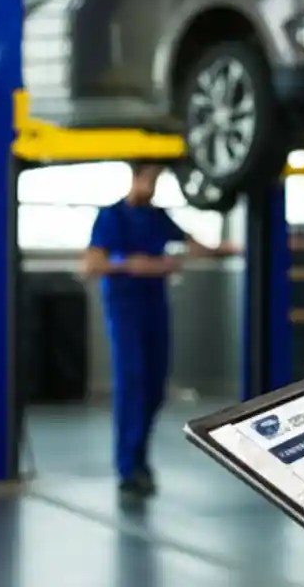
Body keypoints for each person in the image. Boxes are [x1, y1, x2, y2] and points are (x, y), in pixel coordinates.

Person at [82, 160, 235, 498]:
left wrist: (233, 248)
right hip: (125, 310)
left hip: (155, 310)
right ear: (135, 178)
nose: (152, 187)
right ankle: (128, 466)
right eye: (149, 178)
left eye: (158, 179)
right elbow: (92, 263)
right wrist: (133, 265)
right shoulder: (111, 216)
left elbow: (195, 245)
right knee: (132, 383)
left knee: (154, 386)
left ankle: (140, 459)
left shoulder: (156, 217)